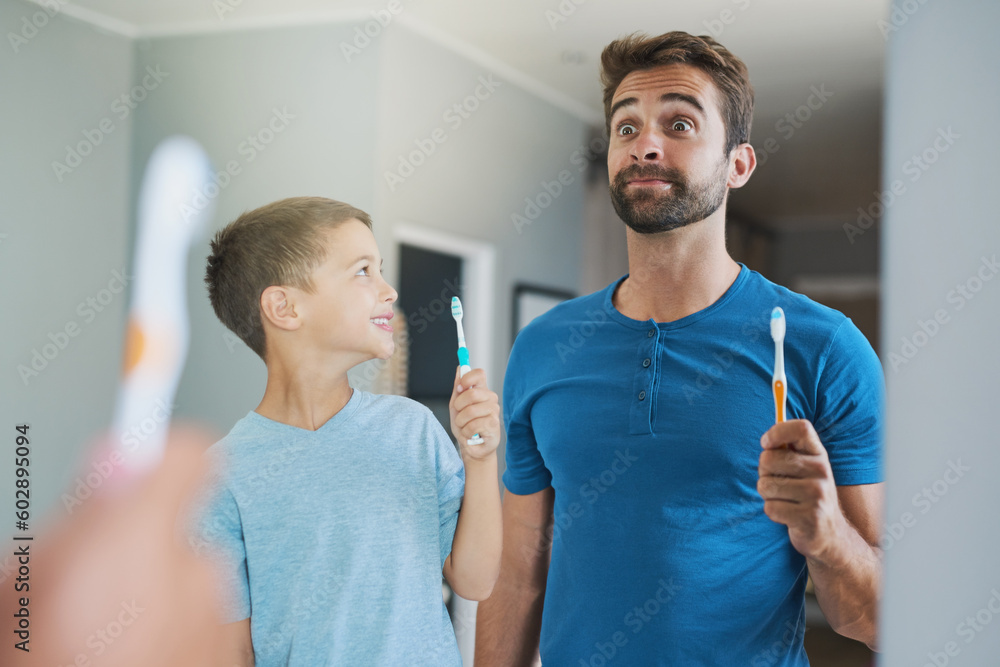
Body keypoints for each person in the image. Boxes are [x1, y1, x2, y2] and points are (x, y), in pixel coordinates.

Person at [475, 31, 883, 666]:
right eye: (626, 127)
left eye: (680, 122)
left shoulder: (824, 347)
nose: (645, 144)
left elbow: (875, 623)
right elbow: (519, 566)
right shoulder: (544, 347)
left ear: (738, 164)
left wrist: (827, 537)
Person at [192, 197, 502, 666]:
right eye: (362, 271)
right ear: (285, 307)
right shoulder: (218, 476)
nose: (389, 290)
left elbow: (475, 581)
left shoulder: (413, 430)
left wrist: (479, 460)